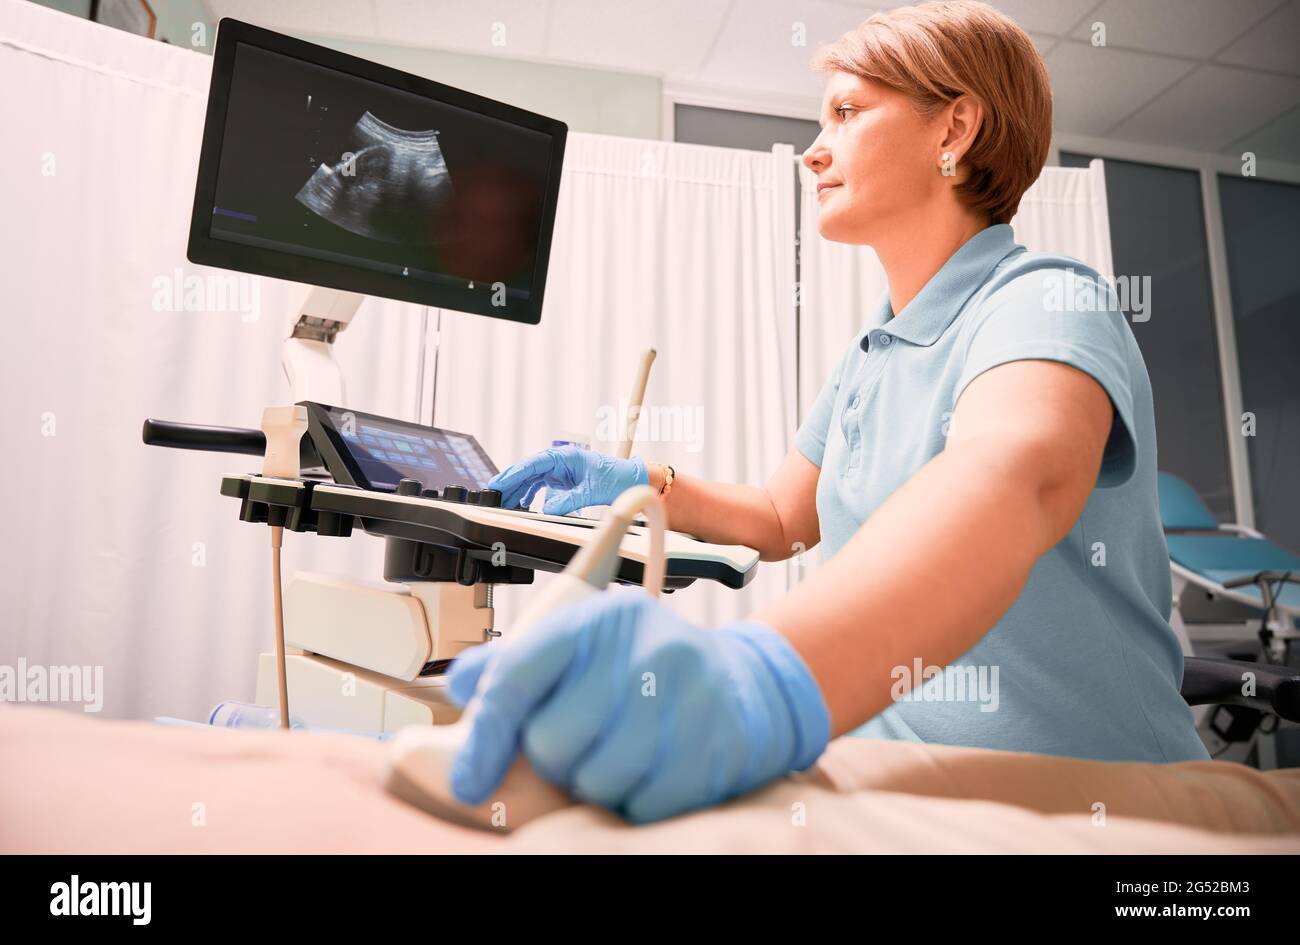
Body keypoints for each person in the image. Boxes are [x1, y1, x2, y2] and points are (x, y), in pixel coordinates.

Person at [446, 0, 1209, 826]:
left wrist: (764, 674)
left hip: (1104, 809)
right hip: (920, 796)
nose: (813, 150)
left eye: (846, 113)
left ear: (954, 128)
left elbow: (1010, 480)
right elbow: (781, 516)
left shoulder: (1044, 301)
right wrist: (641, 480)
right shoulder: (870, 353)